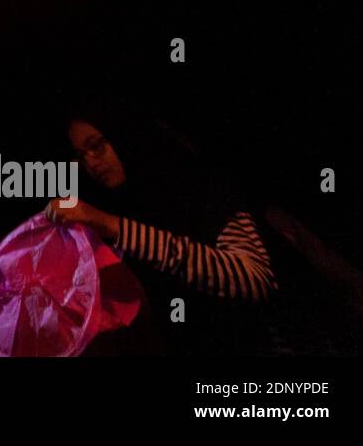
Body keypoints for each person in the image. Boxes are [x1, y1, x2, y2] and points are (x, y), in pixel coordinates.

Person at [46, 98, 283, 355]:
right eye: (81, 156)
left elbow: (255, 279)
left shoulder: (198, 185)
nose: (91, 163)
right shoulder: (124, 206)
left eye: (96, 146)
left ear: (126, 134)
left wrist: (114, 226)